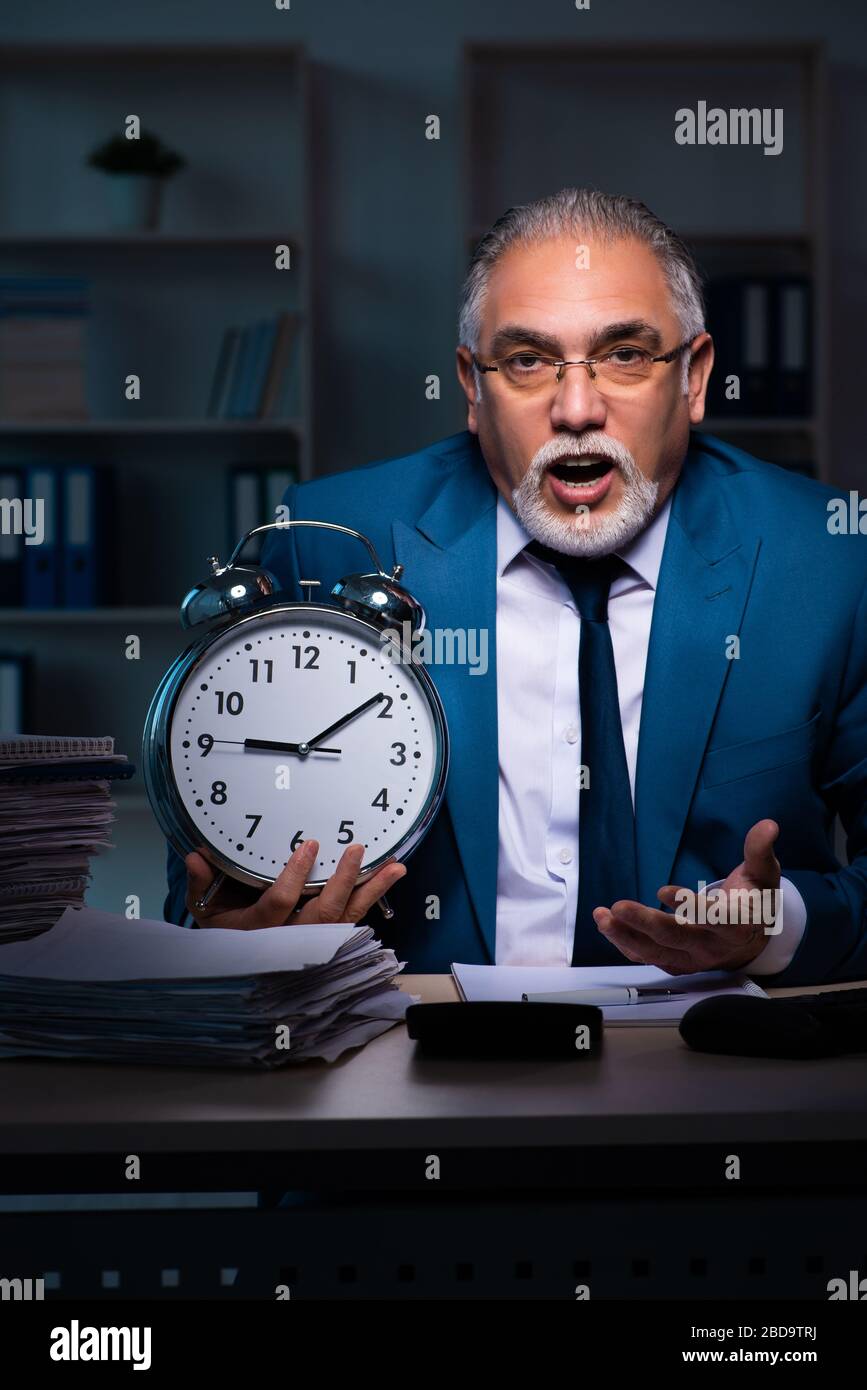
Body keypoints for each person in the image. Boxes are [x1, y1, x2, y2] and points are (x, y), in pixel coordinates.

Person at [164, 187, 867, 984]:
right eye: (528, 361)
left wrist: (772, 926)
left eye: (626, 355)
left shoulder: (828, 557)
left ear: (695, 377)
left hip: (720, 1061)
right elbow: (202, 863)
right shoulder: (322, 541)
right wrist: (237, 931)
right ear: (472, 386)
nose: (576, 408)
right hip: (413, 1062)